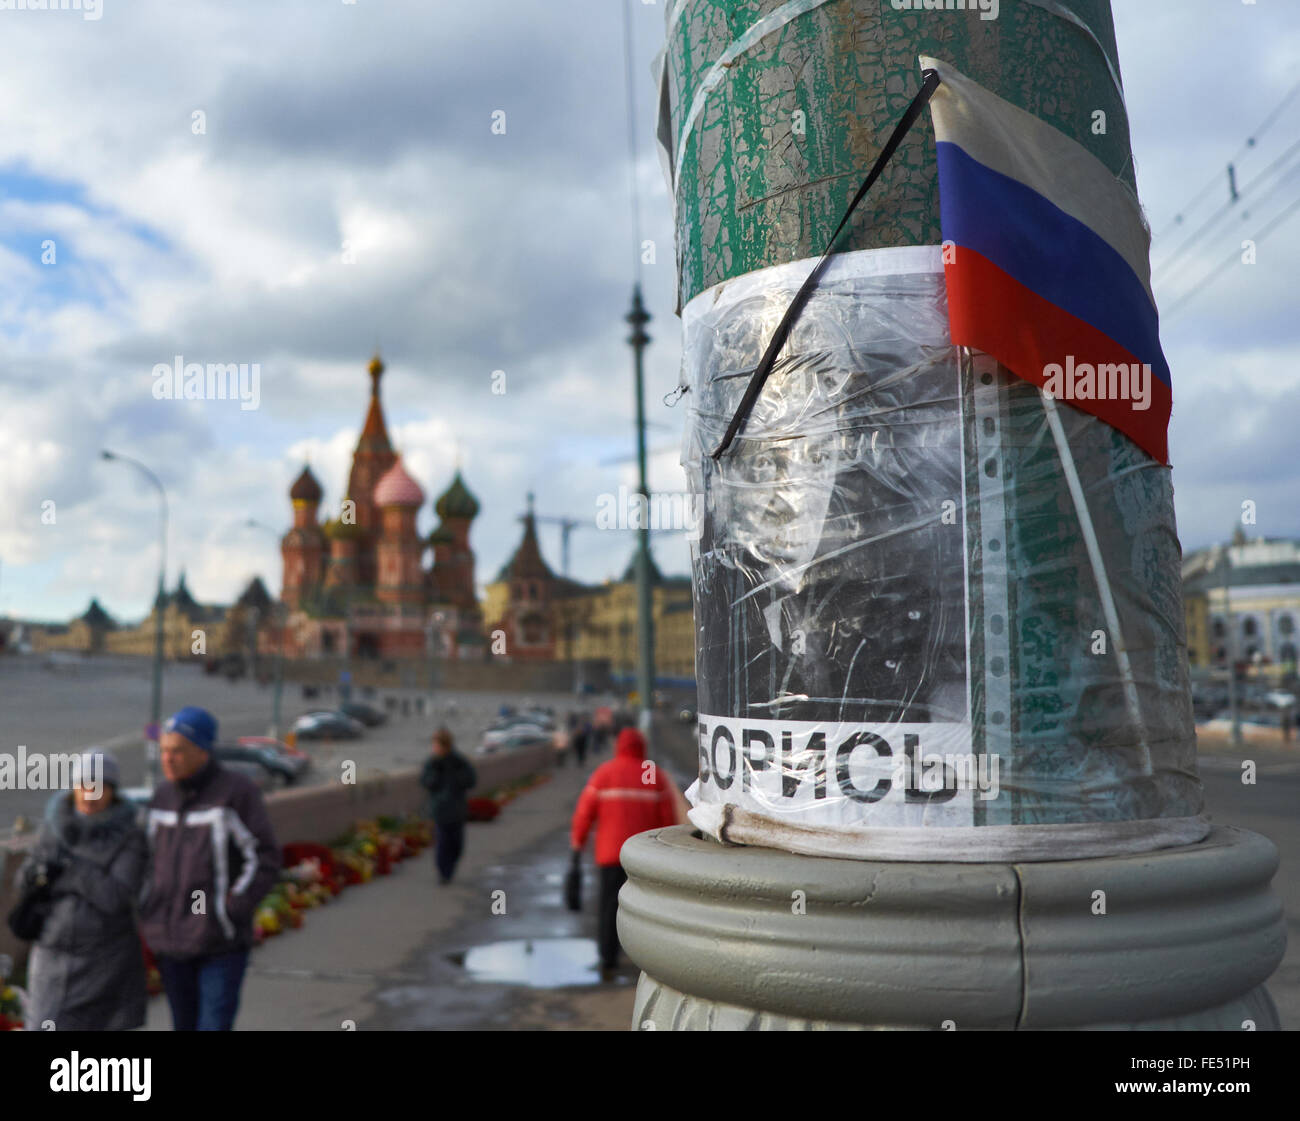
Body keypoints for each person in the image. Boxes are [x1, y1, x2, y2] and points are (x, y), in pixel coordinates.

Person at [138, 706, 280, 1031]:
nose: (167, 759)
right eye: (163, 751)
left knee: (213, 1026)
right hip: (171, 941)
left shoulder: (234, 792)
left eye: (177, 751)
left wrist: (230, 909)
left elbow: (265, 857)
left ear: (202, 751)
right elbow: (144, 861)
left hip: (219, 943)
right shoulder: (161, 797)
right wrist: (149, 910)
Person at [17, 750, 148, 1031]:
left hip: (106, 961)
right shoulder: (54, 827)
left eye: (99, 786)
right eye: (84, 785)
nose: (90, 794)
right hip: (51, 954)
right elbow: (24, 880)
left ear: (112, 791)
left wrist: (68, 870)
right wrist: (35, 875)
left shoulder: (129, 835)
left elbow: (115, 896)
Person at [570, 727, 679, 981]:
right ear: (641, 747)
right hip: (643, 859)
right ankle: (646, 960)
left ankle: (608, 957)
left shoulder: (604, 773)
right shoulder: (652, 774)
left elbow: (584, 814)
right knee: (644, 909)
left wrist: (577, 844)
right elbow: (668, 821)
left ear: (618, 746)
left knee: (609, 907)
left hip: (610, 855)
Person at [419, 727, 477, 884]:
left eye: (437, 745)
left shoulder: (459, 762)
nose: (435, 748)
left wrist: (456, 778)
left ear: (446, 745)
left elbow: (471, 780)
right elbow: (425, 781)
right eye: (434, 745)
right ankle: (444, 873)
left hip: (457, 809)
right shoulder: (432, 763)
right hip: (440, 809)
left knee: (457, 844)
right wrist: (435, 777)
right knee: (443, 842)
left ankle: (450, 865)